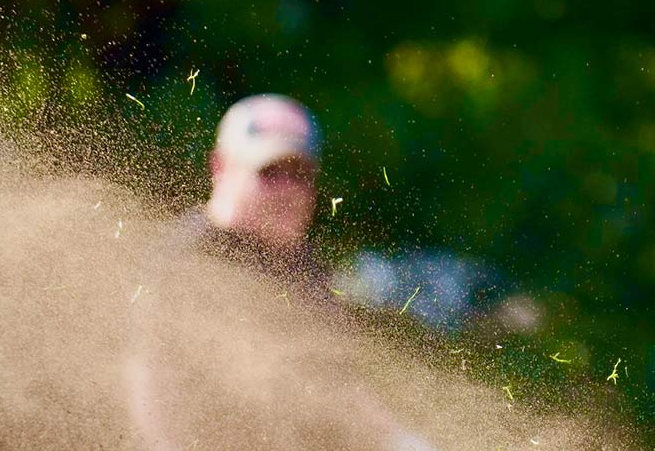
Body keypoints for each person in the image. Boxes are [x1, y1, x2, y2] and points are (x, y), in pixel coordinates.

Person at [124, 93, 436, 451]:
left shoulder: (304, 269)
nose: (288, 190)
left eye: (300, 174)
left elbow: (337, 384)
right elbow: (153, 389)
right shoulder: (188, 260)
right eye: (270, 172)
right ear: (220, 167)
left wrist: (402, 443)